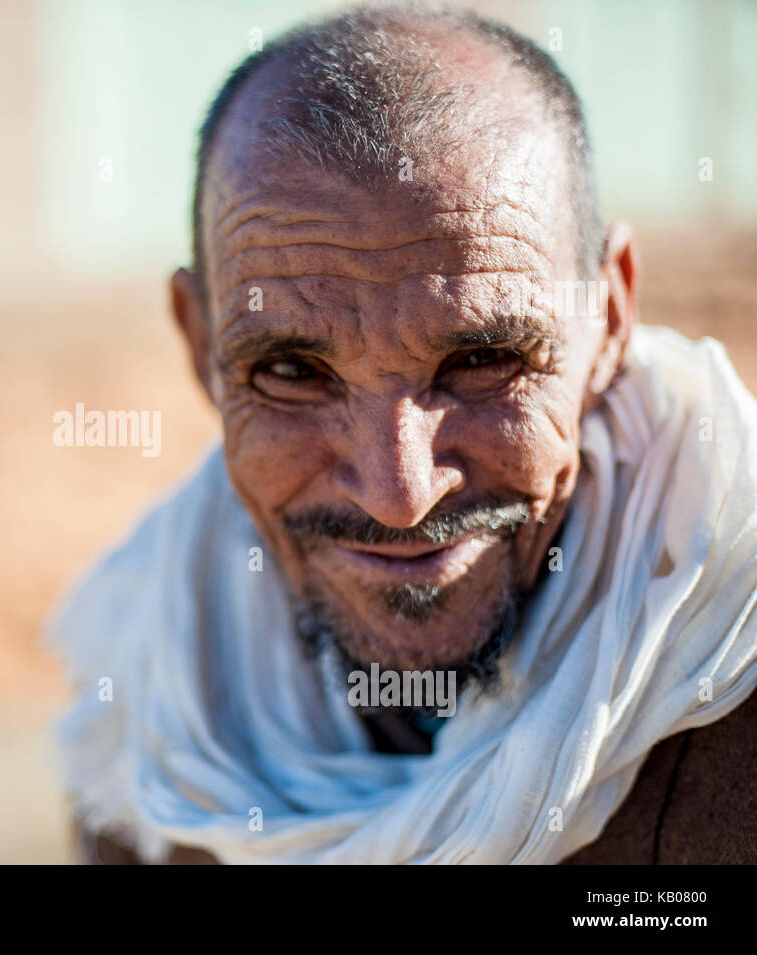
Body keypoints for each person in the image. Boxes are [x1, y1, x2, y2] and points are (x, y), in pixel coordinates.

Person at [47, 3, 757, 864]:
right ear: (200, 345)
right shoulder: (154, 724)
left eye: (484, 358)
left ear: (608, 316)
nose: (398, 494)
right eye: (294, 373)